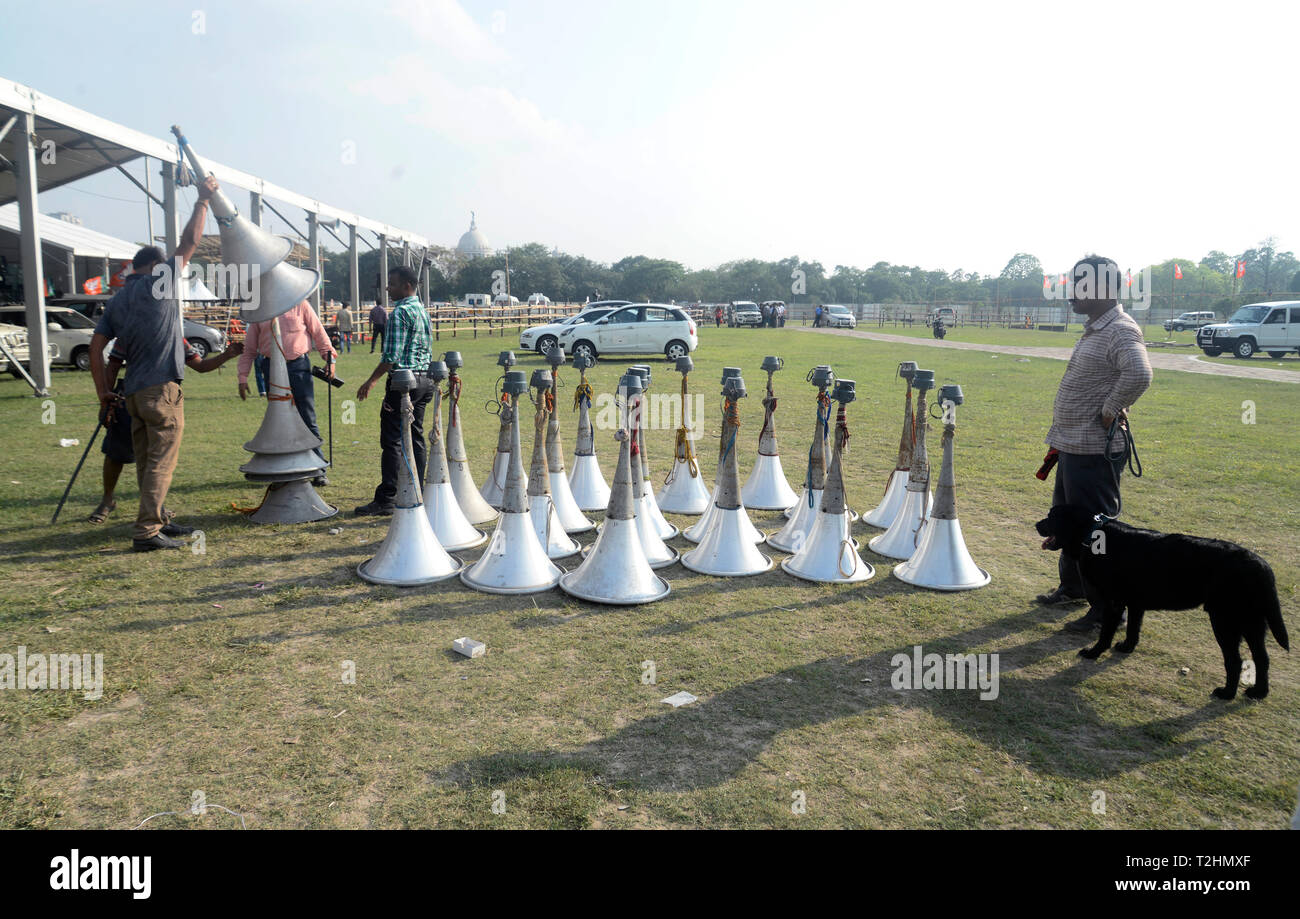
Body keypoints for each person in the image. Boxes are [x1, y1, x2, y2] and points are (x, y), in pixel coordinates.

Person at [89, 174, 244, 550]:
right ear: (158, 266)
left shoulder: (117, 301)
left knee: (146, 461)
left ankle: (158, 518)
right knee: (161, 461)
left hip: (134, 392)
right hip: (162, 390)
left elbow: (96, 350)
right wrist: (203, 200)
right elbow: (190, 242)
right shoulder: (162, 280)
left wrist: (104, 394)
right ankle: (146, 532)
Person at [1037, 254, 1153, 630]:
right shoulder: (1097, 327)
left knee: (1097, 532)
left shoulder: (1119, 328)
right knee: (1069, 525)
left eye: (1078, 285)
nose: (1070, 292)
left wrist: (1111, 407)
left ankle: (1107, 609)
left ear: (1102, 288)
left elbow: (1139, 373)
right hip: (1075, 445)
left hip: (1093, 451)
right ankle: (1073, 587)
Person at [89, 338, 241, 526]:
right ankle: (107, 501)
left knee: (157, 459)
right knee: (116, 453)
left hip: (164, 401)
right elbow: (112, 367)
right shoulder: (131, 332)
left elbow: (200, 366)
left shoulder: (177, 339)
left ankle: (155, 507)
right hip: (128, 398)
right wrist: (105, 402)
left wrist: (227, 355)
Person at [354, 265, 434, 516]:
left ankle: (388, 496)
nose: (388, 288)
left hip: (402, 384)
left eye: (393, 283)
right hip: (424, 380)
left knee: (392, 441)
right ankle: (416, 488)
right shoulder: (421, 310)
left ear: (407, 286)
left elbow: (391, 356)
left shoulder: (399, 314)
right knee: (416, 436)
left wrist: (371, 381)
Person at [237, 299, 338, 486]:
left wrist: (329, 359)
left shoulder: (300, 304)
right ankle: (282, 467)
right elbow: (249, 348)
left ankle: (318, 468)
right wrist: (243, 377)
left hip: (298, 366)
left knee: (308, 418)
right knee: (278, 419)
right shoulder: (260, 308)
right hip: (270, 367)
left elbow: (318, 332)